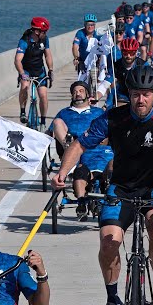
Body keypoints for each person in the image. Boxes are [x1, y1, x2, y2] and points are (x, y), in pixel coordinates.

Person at [51, 65, 153, 305]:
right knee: (109, 241)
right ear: (128, 95)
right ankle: (112, 301)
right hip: (120, 189)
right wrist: (63, 171)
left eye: (145, 94)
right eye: (134, 94)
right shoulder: (113, 118)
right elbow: (79, 145)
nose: (140, 100)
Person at [51, 81, 115, 218]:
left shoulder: (98, 112)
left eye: (81, 91)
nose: (77, 93)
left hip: (97, 146)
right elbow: (51, 131)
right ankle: (71, 153)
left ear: (87, 94)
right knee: (57, 123)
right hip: (72, 145)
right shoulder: (64, 113)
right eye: (75, 92)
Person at [15, 16, 53, 125]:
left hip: (39, 70)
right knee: (24, 86)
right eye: (43, 31)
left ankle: (43, 121)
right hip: (26, 70)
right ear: (36, 31)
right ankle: (23, 112)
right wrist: (22, 74)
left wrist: (50, 70)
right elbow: (17, 60)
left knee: (43, 95)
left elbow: (48, 56)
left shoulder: (45, 39)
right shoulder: (24, 41)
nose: (45, 33)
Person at [72, 14, 98, 82]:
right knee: (82, 83)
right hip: (83, 60)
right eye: (88, 24)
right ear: (84, 25)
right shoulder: (80, 33)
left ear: (95, 25)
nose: (90, 27)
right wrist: (76, 58)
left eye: (92, 25)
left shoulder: (97, 34)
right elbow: (75, 46)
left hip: (95, 61)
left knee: (96, 82)